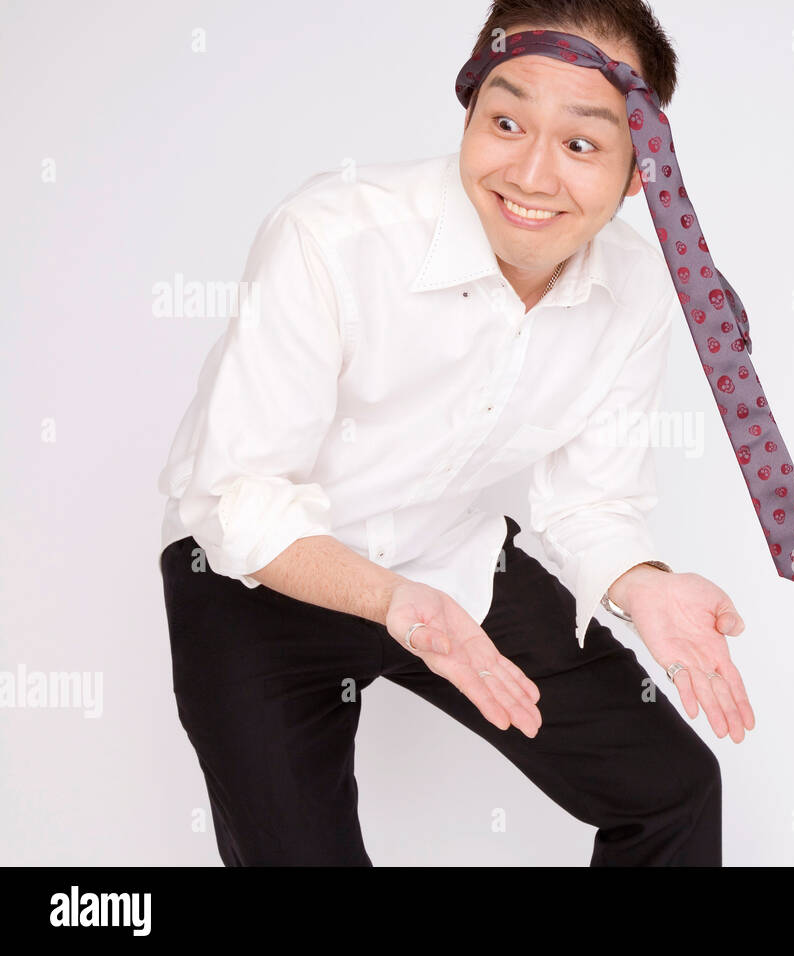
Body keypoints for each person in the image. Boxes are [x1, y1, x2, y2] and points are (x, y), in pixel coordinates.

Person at [156, 0, 754, 866]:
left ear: (637, 174)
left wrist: (640, 582)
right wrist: (392, 604)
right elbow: (240, 497)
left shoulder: (637, 289)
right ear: (468, 113)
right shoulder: (332, 237)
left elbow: (593, 499)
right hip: (254, 572)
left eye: (582, 144)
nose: (534, 175)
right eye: (506, 122)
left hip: (448, 556)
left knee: (672, 792)